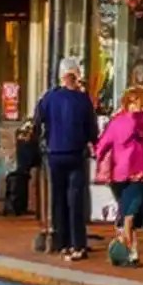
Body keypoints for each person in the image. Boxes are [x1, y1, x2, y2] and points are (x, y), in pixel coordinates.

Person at [33, 57, 98, 262]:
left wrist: (42, 140)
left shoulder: (49, 98)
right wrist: (89, 141)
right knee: (76, 200)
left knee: (58, 199)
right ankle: (77, 242)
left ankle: (61, 241)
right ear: (75, 75)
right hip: (76, 153)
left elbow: (37, 123)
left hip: (54, 153)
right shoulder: (82, 99)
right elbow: (92, 130)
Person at [95, 86, 143, 267]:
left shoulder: (117, 122)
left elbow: (102, 145)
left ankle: (128, 250)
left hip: (120, 174)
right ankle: (128, 250)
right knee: (131, 213)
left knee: (128, 212)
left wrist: (100, 160)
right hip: (141, 174)